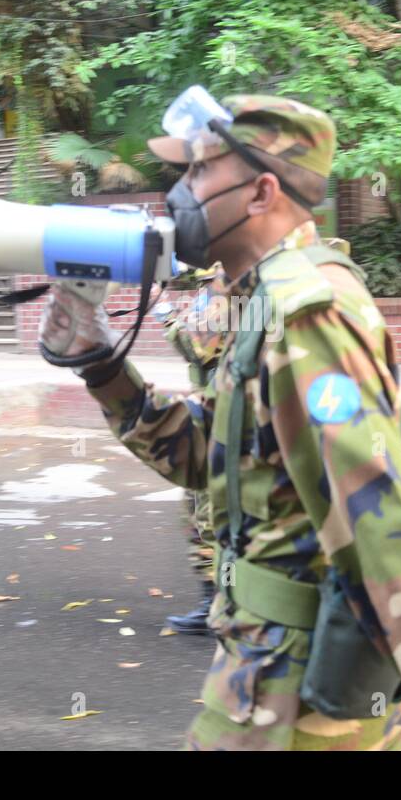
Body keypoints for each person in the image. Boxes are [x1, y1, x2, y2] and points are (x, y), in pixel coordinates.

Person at [39, 90, 401, 750]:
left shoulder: (306, 311)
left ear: (262, 192)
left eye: (197, 172)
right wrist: (100, 363)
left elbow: (381, 523)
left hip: (295, 690)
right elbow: (214, 460)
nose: (178, 192)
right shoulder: (260, 301)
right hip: (261, 660)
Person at [157, 264, 229, 634]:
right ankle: (220, 601)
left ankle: (218, 605)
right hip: (226, 410)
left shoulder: (220, 283)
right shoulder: (232, 277)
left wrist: (163, 310)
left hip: (220, 415)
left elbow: (197, 347)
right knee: (205, 511)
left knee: (204, 513)